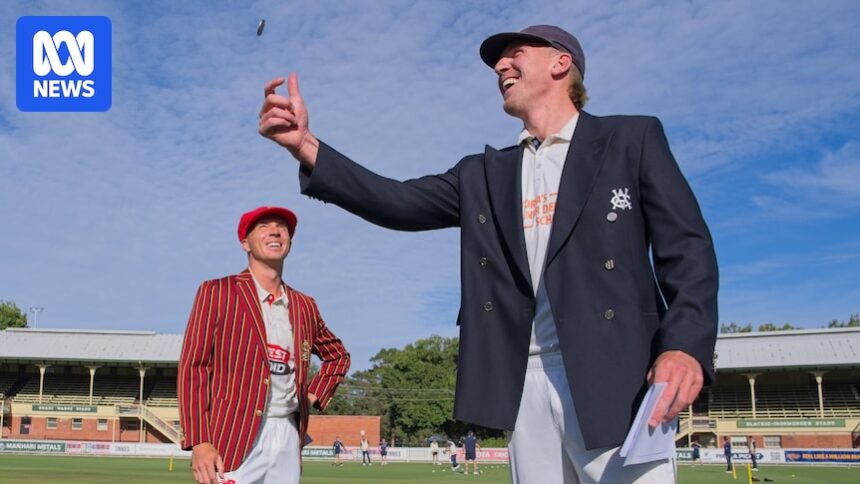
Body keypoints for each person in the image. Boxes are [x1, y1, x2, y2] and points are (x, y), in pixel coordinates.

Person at [259, 24, 718, 484]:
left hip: (618, 377)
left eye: (516, 54)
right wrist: (305, 145)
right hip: (524, 378)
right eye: (499, 61)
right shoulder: (483, 174)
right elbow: (395, 200)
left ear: (562, 63)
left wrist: (683, 345)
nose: (500, 66)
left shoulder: (630, 140)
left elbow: (687, 248)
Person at [178, 206, 351, 484]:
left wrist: (310, 396)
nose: (274, 231)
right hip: (232, 436)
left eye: (282, 227)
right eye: (263, 226)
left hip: (287, 435)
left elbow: (338, 357)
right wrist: (199, 441)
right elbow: (193, 368)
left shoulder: (304, 305)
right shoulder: (217, 292)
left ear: (289, 242)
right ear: (245, 243)